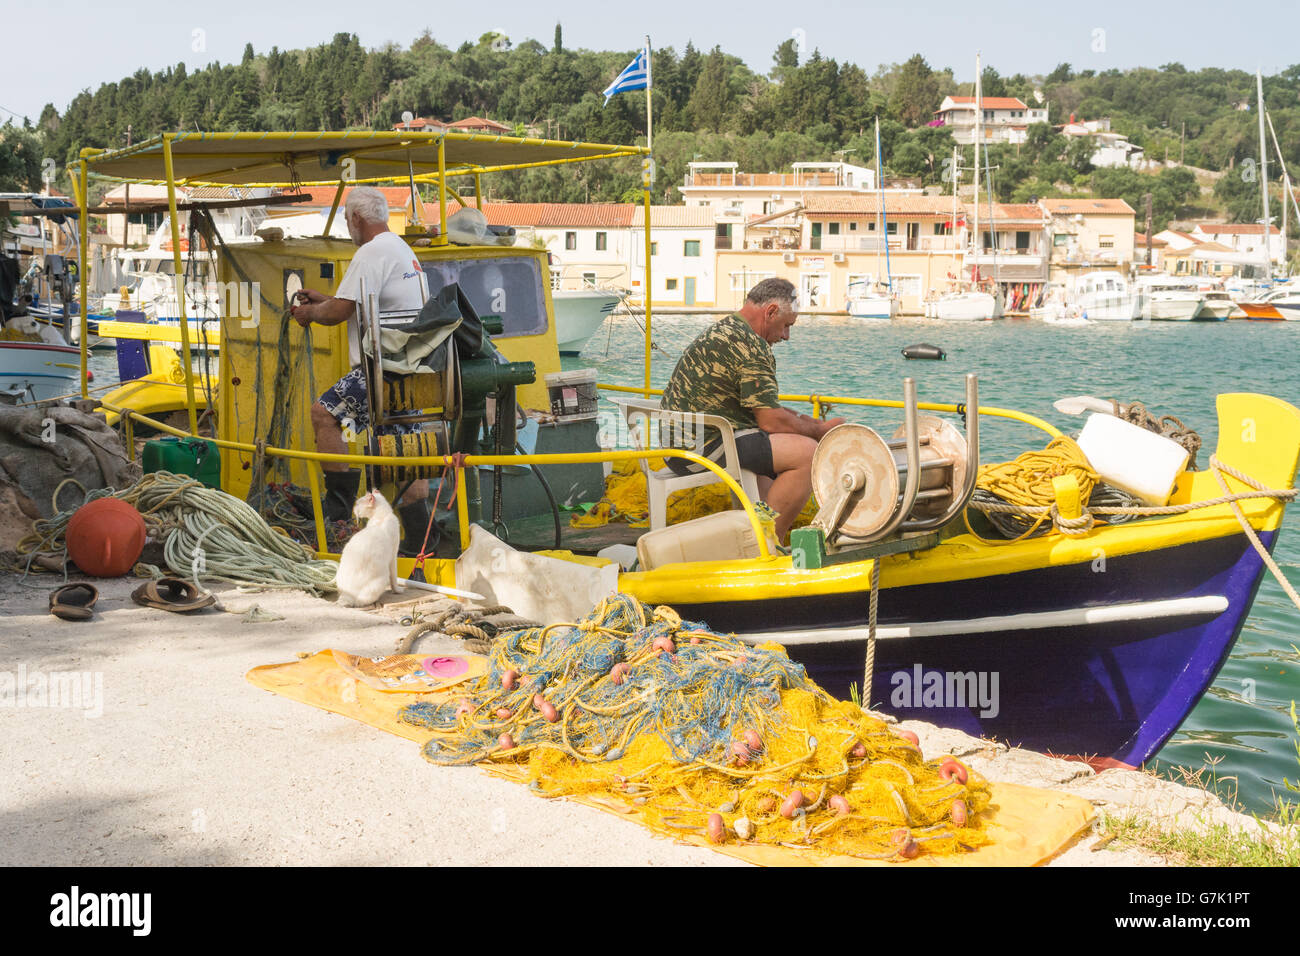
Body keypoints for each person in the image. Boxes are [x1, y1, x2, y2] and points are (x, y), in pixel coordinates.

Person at [289, 185, 432, 548]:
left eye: (347, 220)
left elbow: (339, 312)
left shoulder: (371, 252)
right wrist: (326, 300)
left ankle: (338, 513)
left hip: (382, 369)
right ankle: (425, 542)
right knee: (401, 449)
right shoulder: (400, 248)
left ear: (355, 218)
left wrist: (309, 312)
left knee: (324, 414)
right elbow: (352, 302)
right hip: (411, 366)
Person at [659, 277, 844, 541]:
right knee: (807, 454)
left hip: (676, 445)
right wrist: (819, 431)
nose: (786, 336)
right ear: (770, 312)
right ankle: (768, 543)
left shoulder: (727, 328)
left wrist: (805, 423)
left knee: (776, 450)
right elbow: (770, 422)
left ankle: (756, 528)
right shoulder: (752, 347)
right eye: (786, 326)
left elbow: (765, 409)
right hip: (700, 450)